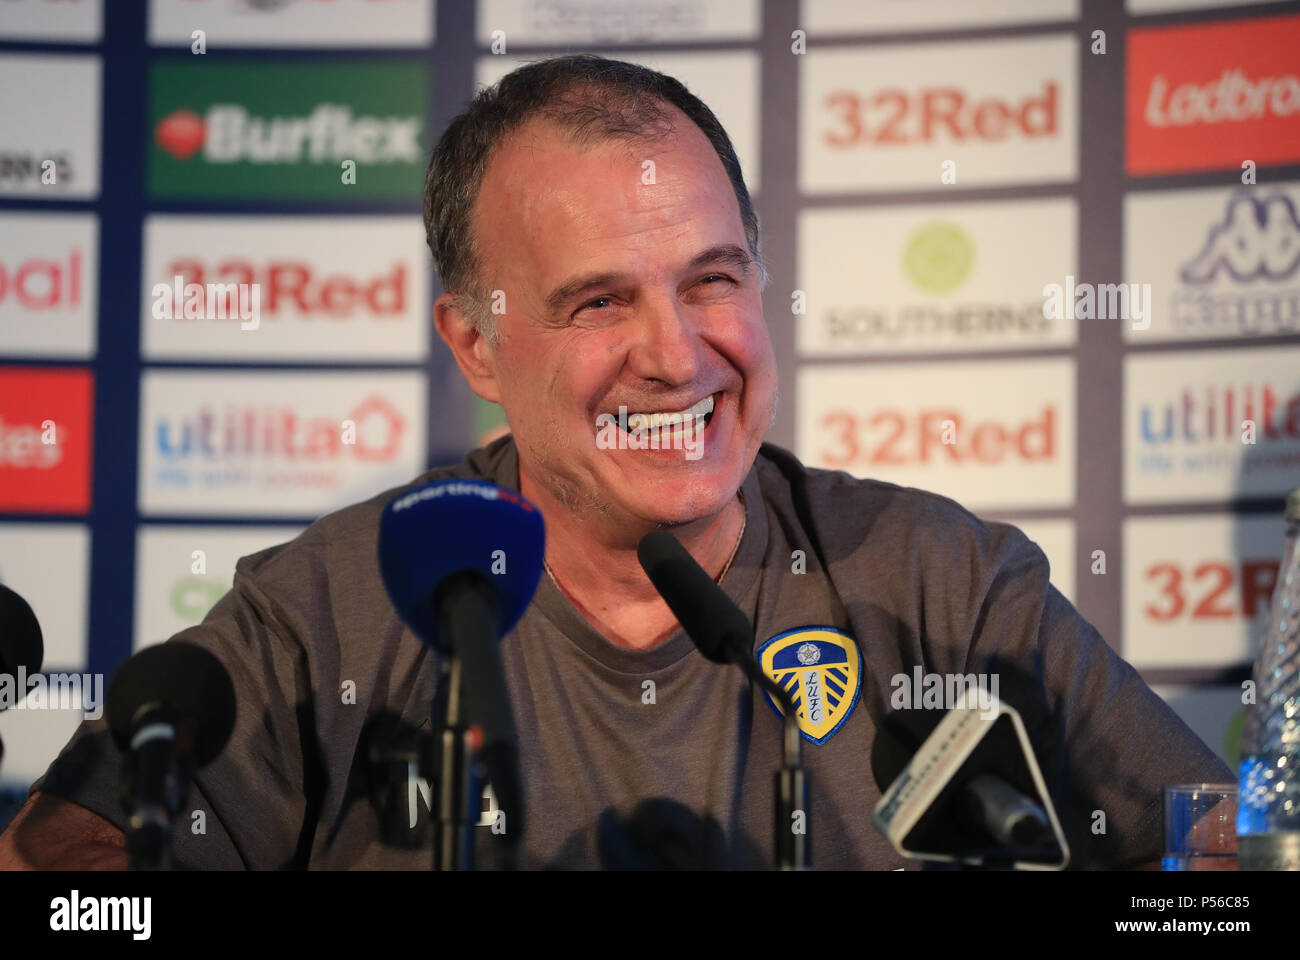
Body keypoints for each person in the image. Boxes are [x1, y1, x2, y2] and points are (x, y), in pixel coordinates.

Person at [0, 55, 1229, 870]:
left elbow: (1220, 868)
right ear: (477, 344)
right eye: (598, 302)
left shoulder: (942, 582)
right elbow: (68, 880)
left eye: (711, 280)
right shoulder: (323, 612)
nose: (674, 355)